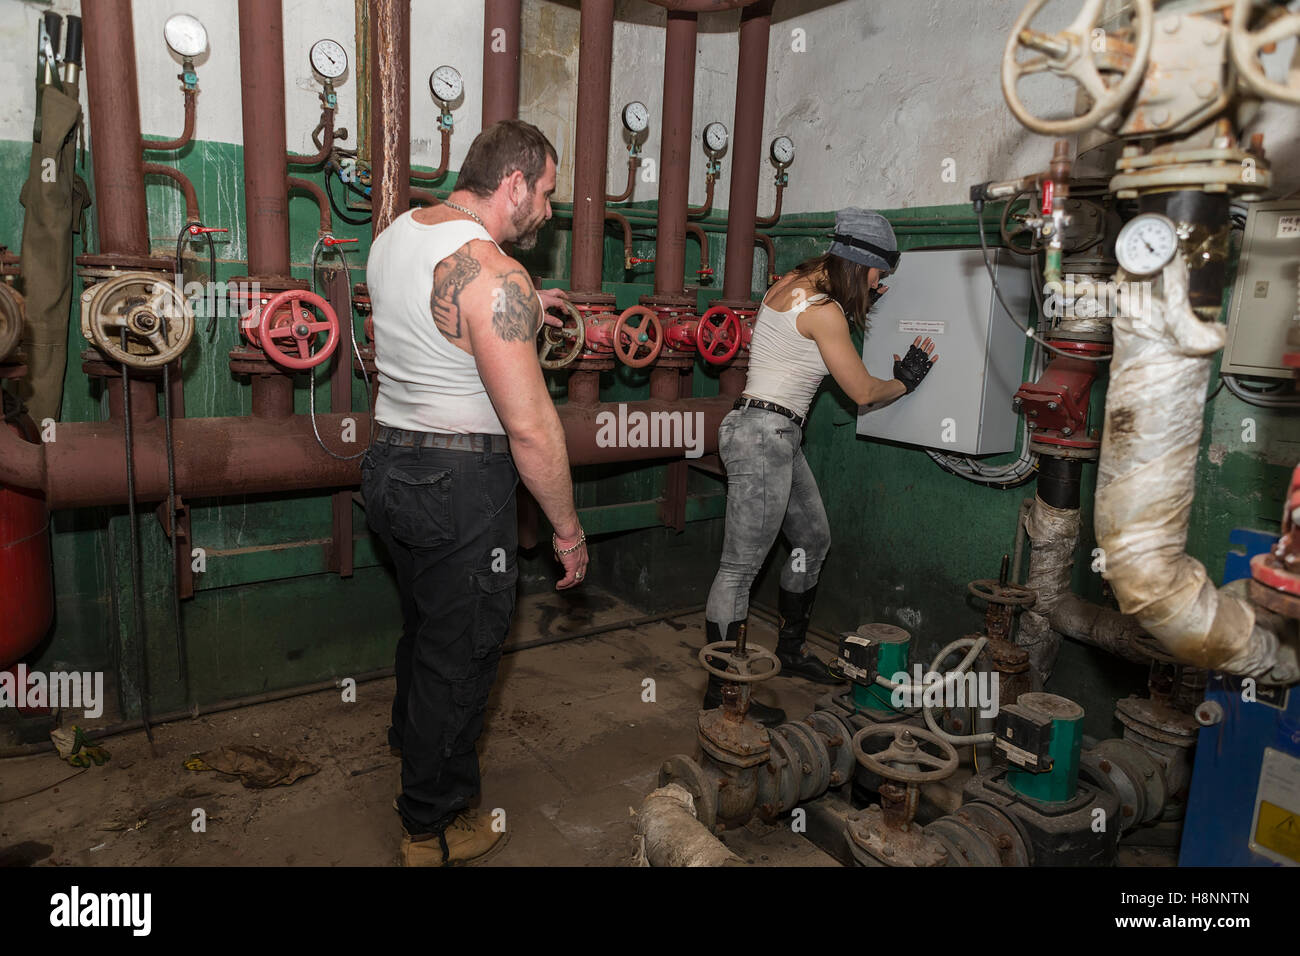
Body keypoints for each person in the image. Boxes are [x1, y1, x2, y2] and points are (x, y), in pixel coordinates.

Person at [361, 119, 589, 866]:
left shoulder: (398, 233)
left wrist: (526, 302)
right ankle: (432, 824)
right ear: (515, 182)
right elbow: (532, 431)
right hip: (459, 484)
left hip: (391, 466)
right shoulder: (498, 276)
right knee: (460, 657)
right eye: (547, 193)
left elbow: (443, 326)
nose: (549, 211)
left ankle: (410, 741)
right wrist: (567, 530)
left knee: (425, 628)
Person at [702, 208, 938, 727]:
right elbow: (861, 392)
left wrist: (859, 300)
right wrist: (906, 380)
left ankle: (789, 649)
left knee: (812, 540)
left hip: (774, 434)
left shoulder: (791, 282)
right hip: (764, 437)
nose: (881, 285)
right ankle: (722, 693)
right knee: (739, 570)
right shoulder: (824, 310)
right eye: (879, 275)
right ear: (860, 264)